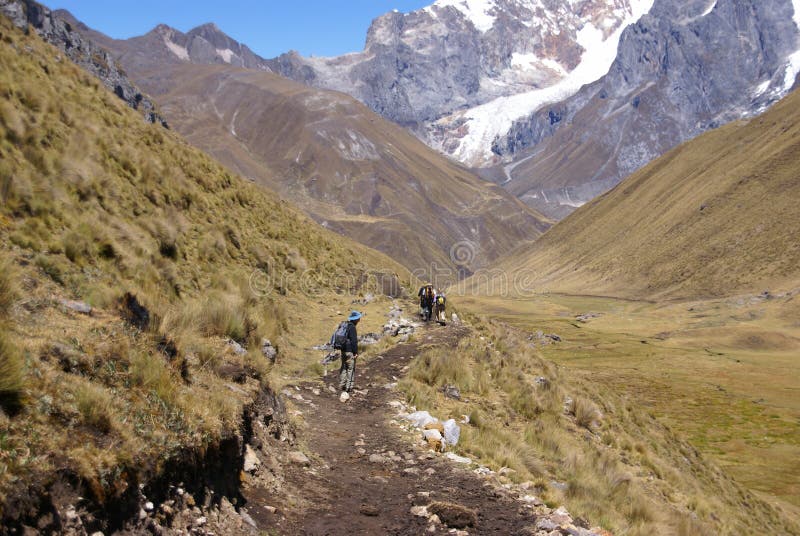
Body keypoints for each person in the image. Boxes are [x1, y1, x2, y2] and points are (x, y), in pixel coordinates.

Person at [339, 311, 361, 402]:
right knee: (351, 368)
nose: (360, 320)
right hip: (349, 351)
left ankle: (342, 384)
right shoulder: (352, 328)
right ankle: (349, 388)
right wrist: (355, 352)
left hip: (343, 350)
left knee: (344, 367)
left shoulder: (345, 325)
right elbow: (354, 341)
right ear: (355, 319)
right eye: (359, 318)